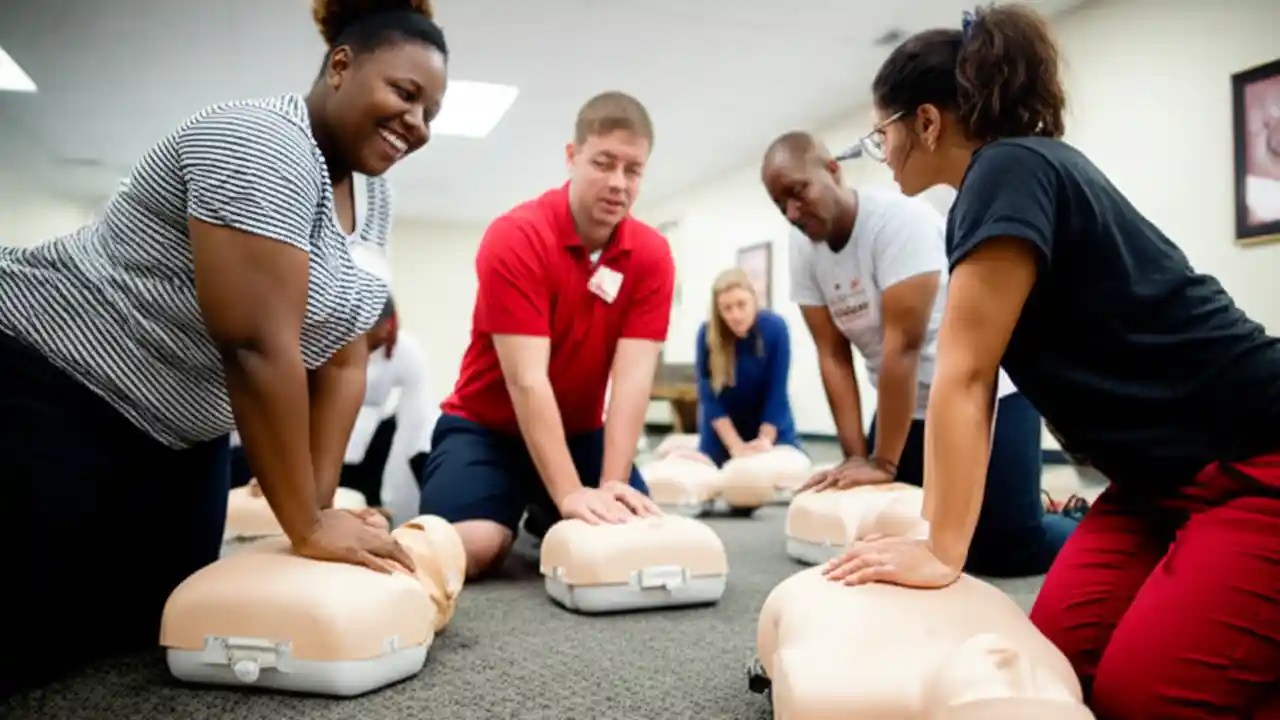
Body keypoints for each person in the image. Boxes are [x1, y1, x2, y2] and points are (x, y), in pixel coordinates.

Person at [824, 5, 1280, 718]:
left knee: (1144, 700)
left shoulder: (1006, 169)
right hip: (1150, 482)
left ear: (927, 122)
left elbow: (967, 376)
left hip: (1256, 464)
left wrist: (943, 550)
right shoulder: (1017, 173)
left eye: (882, 134)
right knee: (1059, 663)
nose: (883, 153)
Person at [0, 0, 447, 696]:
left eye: (431, 114)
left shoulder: (372, 198)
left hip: (186, 434)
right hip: (55, 380)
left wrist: (318, 513)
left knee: (157, 635)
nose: (417, 125)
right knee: (38, 644)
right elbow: (253, 345)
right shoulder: (260, 140)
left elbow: (341, 355)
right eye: (405, 94)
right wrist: (303, 523)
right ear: (340, 66)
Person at [762, 131, 1075, 577]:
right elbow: (832, 355)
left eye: (799, 192)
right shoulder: (802, 245)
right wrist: (858, 459)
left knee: (1004, 547)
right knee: (904, 528)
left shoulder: (897, 221)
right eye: (781, 204)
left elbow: (902, 347)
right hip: (905, 408)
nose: (794, 211)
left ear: (832, 169)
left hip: (984, 392)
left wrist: (883, 462)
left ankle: (1081, 521)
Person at [418, 91, 673, 579]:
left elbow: (634, 379)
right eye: (604, 162)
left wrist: (613, 484)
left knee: (628, 533)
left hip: (579, 433)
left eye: (633, 170)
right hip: (485, 429)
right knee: (472, 548)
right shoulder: (517, 236)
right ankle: (533, 501)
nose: (618, 183)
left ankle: (543, 508)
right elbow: (527, 381)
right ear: (571, 157)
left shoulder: (651, 254)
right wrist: (571, 494)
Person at [341, 298, 441, 524]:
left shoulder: (406, 352)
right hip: (335, 426)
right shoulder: (329, 347)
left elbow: (418, 420)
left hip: (383, 432)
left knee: (415, 442)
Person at [694, 267, 800, 466]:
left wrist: (765, 441)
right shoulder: (706, 335)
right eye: (727, 308)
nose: (735, 314)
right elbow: (709, 399)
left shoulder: (776, 329)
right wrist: (735, 446)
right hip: (722, 432)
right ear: (718, 310)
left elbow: (777, 391)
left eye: (742, 304)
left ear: (754, 300)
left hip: (771, 423)